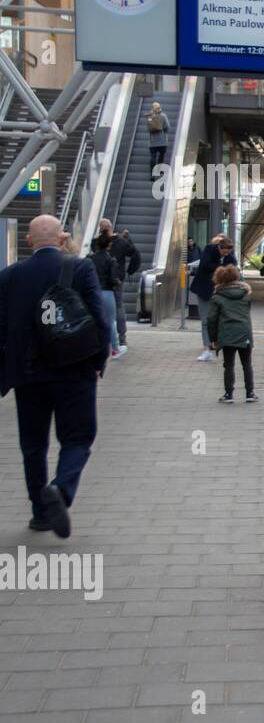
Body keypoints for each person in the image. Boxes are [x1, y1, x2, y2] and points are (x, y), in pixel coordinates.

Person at [0, 215, 112, 538]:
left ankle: (40, 512)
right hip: (74, 371)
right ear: (62, 239)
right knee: (77, 438)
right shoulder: (80, 268)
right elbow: (100, 319)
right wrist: (99, 361)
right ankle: (60, 490)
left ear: (28, 241)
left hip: (27, 374)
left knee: (33, 445)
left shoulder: (9, 277)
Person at [206, 264, 257, 404]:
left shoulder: (217, 297)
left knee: (228, 365)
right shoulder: (245, 295)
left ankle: (229, 394)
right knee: (247, 364)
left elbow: (211, 320)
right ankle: (250, 393)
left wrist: (213, 339)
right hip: (244, 333)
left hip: (227, 334)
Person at [99, 218, 139, 351]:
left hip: (101, 282)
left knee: (101, 310)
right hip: (117, 280)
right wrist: (130, 270)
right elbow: (134, 252)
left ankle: (104, 340)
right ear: (110, 227)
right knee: (118, 307)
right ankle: (122, 340)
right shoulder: (121, 242)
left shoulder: (98, 242)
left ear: (101, 228)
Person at [190, 234, 229, 361]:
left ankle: (216, 342)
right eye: (224, 252)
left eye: (228, 253)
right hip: (205, 290)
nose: (225, 255)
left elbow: (233, 267)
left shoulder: (228, 254)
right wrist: (221, 267)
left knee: (220, 318)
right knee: (206, 320)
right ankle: (207, 348)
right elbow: (204, 266)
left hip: (220, 291)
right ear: (219, 247)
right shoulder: (209, 250)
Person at [89, 232, 122, 360]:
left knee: (93, 321)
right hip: (107, 292)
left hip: (94, 292)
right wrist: (118, 282)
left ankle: (93, 348)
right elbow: (113, 279)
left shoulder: (90, 258)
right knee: (110, 322)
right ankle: (114, 349)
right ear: (109, 245)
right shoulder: (111, 260)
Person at [146, 101, 169, 173]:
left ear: (152, 108)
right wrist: (164, 131)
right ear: (159, 108)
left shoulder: (149, 116)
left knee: (153, 157)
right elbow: (167, 126)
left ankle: (152, 174)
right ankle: (159, 170)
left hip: (152, 142)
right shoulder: (163, 115)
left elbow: (148, 127)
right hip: (163, 141)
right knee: (161, 156)